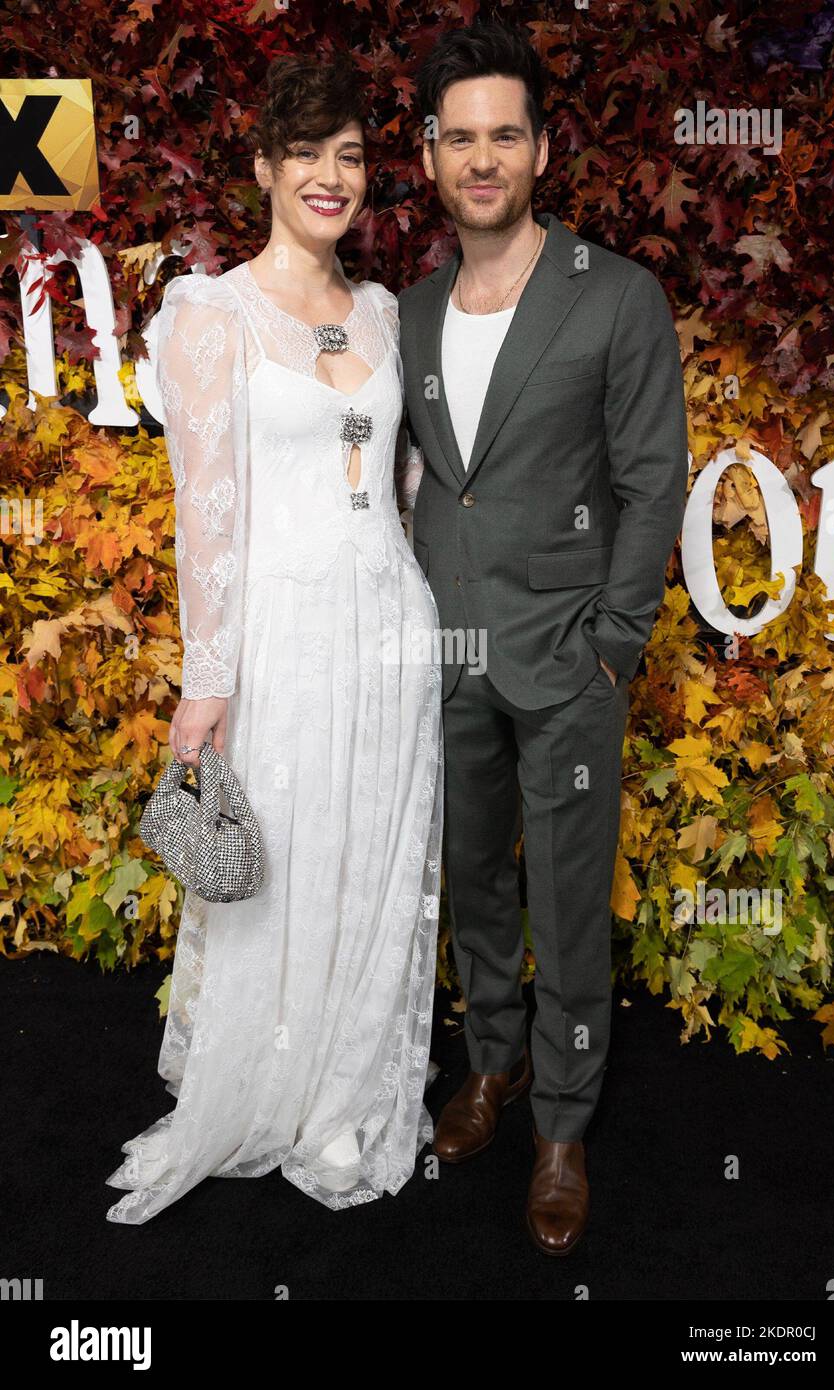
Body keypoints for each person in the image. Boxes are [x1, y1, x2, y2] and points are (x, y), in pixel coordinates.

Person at [106, 52, 444, 1223]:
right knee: (281, 860)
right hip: (282, 634)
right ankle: (259, 1081)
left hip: (389, 625)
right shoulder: (211, 314)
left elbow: (401, 483)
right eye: (305, 153)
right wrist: (209, 677)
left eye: (349, 157)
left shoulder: (387, 313)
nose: (330, 176)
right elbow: (209, 512)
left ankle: (345, 1094)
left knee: (370, 856)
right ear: (260, 168)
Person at [397, 19, 689, 1254]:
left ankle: (561, 1123)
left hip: (568, 660)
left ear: (540, 149)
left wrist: (612, 643)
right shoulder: (407, 311)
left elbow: (650, 480)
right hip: (445, 655)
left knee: (566, 902)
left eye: (502, 135)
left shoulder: (614, 294)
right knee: (472, 878)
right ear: (426, 157)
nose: (481, 158)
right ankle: (492, 1069)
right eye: (458, 137)